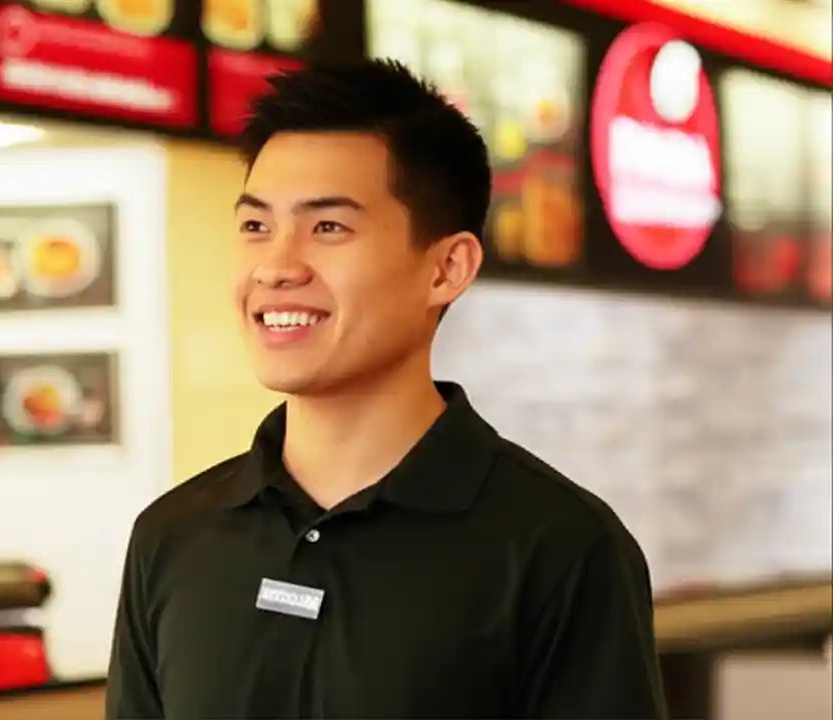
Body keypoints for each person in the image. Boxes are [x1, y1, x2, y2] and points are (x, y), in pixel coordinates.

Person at [105, 59, 667, 719]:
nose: (276, 267)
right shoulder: (172, 539)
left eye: (328, 227)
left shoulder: (560, 549)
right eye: (256, 227)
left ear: (447, 268)